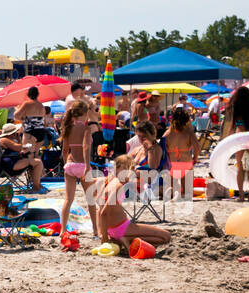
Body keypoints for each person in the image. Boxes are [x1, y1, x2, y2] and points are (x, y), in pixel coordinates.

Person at [96, 155, 172, 251]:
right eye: (131, 169)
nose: (133, 173)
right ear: (121, 169)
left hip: (114, 230)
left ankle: (125, 239)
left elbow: (99, 211)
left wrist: (101, 233)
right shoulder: (118, 185)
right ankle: (127, 239)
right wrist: (104, 239)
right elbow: (103, 212)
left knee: (159, 238)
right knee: (166, 236)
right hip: (122, 228)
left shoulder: (111, 181)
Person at [219, 86, 249, 202]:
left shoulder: (235, 108)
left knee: (240, 168)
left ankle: (241, 196)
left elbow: (231, 127)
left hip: (239, 137)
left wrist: (226, 141)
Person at [59, 99, 93, 230]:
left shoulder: (68, 128)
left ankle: (63, 231)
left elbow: (65, 150)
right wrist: (88, 166)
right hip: (83, 165)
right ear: (86, 113)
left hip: (70, 165)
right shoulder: (86, 128)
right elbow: (85, 148)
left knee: (68, 200)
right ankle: (96, 231)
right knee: (90, 200)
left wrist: (65, 164)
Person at [0, 122, 46, 190]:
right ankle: (36, 186)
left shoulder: (7, 139)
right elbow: (19, 148)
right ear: (12, 133)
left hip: (10, 162)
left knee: (33, 162)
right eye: (15, 132)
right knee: (38, 162)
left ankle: (36, 184)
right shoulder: (4, 140)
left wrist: (19, 139)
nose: (17, 133)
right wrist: (27, 143)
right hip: (10, 164)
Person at [163, 106, 199, 200]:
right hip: (185, 162)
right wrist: (195, 158)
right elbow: (197, 147)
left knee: (171, 187)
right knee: (188, 193)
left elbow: (161, 146)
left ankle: (175, 193)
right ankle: (183, 194)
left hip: (172, 163)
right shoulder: (189, 132)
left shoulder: (168, 132)